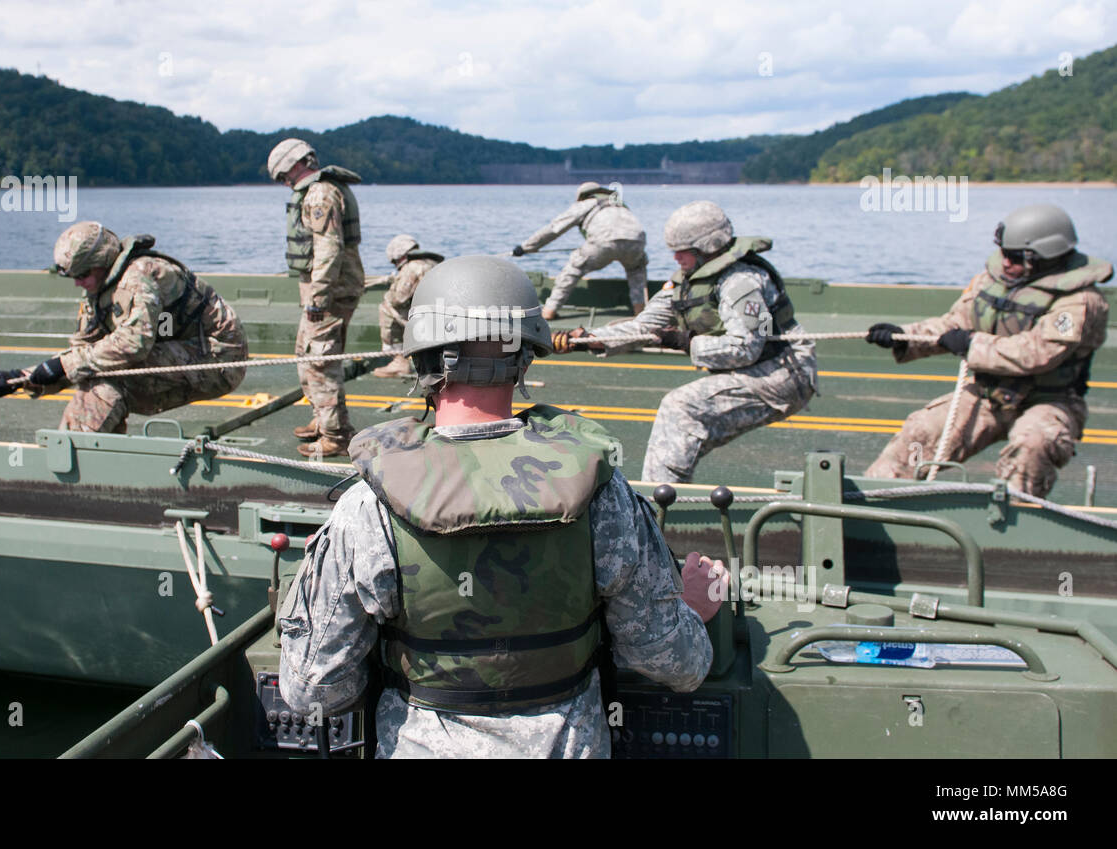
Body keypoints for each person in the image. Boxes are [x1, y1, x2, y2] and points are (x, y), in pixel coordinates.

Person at [277, 255, 725, 758]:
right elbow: (676, 665)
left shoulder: (368, 508)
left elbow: (313, 690)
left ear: (423, 362)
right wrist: (690, 608)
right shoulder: (604, 493)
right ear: (524, 358)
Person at [552, 201, 817, 484]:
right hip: (755, 372)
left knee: (681, 408)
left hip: (782, 376)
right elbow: (644, 325)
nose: (675, 257)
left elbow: (745, 348)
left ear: (707, 246)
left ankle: (659, 503)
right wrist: (589, 340)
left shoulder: (740, 282)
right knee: (686, 434)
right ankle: (668, 496)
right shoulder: (690, 280)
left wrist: (686, 342)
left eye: (682, 251)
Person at [864, 204, 1110, 496]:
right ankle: (878, 500)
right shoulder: (993, 282)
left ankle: (1019, 516)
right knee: (921, 433)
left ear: (1045, 257)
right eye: (1004, 252)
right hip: (989, 396)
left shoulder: (1081, 301)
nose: (1005, 262)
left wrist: (971, 345)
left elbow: (1036, 352)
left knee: (1033, 444)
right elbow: (955, 322)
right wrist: (903, 337)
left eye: (1016, 257)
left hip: (1050, 400)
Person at [0, 222, 247, 432]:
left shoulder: (138, 277)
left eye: (82, 275)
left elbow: (133, 345)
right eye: (74, 277)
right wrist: (22, 379)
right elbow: (83, 351)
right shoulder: (99, 289)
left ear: (101, 263)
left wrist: (64, 366)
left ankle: (83, 460)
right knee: (92, 371)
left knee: (106, 379)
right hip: (174, 349)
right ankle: (92, 456)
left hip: (217, 358)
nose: (78, 283)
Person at [267, 138, 366, 457]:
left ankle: (335, 434)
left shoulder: (320, 192)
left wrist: (318, 297)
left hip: (329, 292)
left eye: (284, 174)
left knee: (319, 362)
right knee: (306, 354)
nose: (284, 182)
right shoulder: (319, 190)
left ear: (298, 164)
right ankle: (323, 419)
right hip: (327, 290)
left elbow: (328, 249)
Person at [513, 182, 649, 320]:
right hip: (637, 241)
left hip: (603, 242)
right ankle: (639, 312)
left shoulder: (587, 203)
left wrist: (526, 247)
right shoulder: (619, 205)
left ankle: (549, 311)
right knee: (636, 271)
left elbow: (554, 229)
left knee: (574, 268)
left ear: (582, 196)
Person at [372, 234, 444, 379]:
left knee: (386, 307)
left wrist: (391, 292)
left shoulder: (412, 267)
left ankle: (399, 361)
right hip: (439, 318)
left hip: (426, 321)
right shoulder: (431, 263)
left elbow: (398, 298)